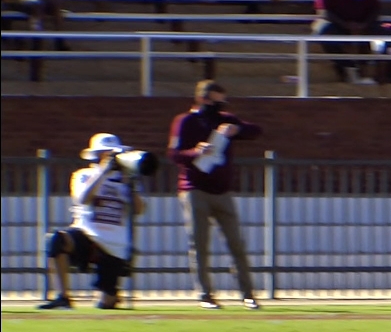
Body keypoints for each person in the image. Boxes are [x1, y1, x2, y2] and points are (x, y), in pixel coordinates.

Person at [168, 80, 263, 311]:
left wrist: (237, 130)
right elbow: (174, 154)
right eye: (215, 101)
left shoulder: (225, 119)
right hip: (195, 189)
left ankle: (248, 294)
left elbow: (256, 131)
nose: (219, 106)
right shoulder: (185, 121)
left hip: (222, 190)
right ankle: (205, 295)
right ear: (202, 99)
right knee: (200, 244)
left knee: (236, 244)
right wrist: (195, 152)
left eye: (222, 102)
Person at [37, 133, 146, 311]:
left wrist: (130, 185)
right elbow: (83, 198)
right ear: (96, 155)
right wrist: (103, 172)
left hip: (114, 245)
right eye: (106, 153)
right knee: (56, 240)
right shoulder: (84, 175)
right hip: (86, 234)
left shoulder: (127, 180)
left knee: (105, 304)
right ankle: (63, 296)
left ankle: (111, 294)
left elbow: (139, 210)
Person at [312, 0, 381, 84]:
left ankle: (381, 74)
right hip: (336, 23)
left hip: (362, 24)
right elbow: (323, 11)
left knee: (383, 31)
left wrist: (363, 25)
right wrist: (346, 25)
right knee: (323, 30)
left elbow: (375, 8)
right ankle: (346, 66)